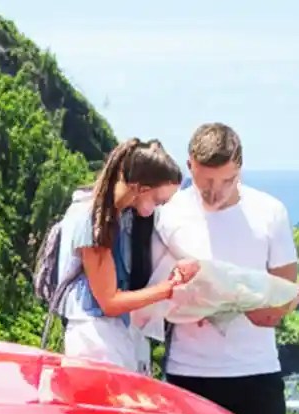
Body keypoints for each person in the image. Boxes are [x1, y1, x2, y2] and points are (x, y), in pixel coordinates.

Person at [153, 122, 299, 414]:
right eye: (206, 181)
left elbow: (283, 292)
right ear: (189, 163)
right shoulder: (168, 212)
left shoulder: (270, 212)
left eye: (227, 180)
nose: (215, 192)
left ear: (240, 169)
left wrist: (266, 304)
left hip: (256, 372)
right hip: (188, 372)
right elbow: (152, 291)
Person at [55, 138, 198, 374]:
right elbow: (109, 302)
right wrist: (169, 287)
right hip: (94, 340)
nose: (158, 208)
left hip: (105, 336)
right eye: (158, 200)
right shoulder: (92, 219)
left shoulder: (116, 217)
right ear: (141, 188)